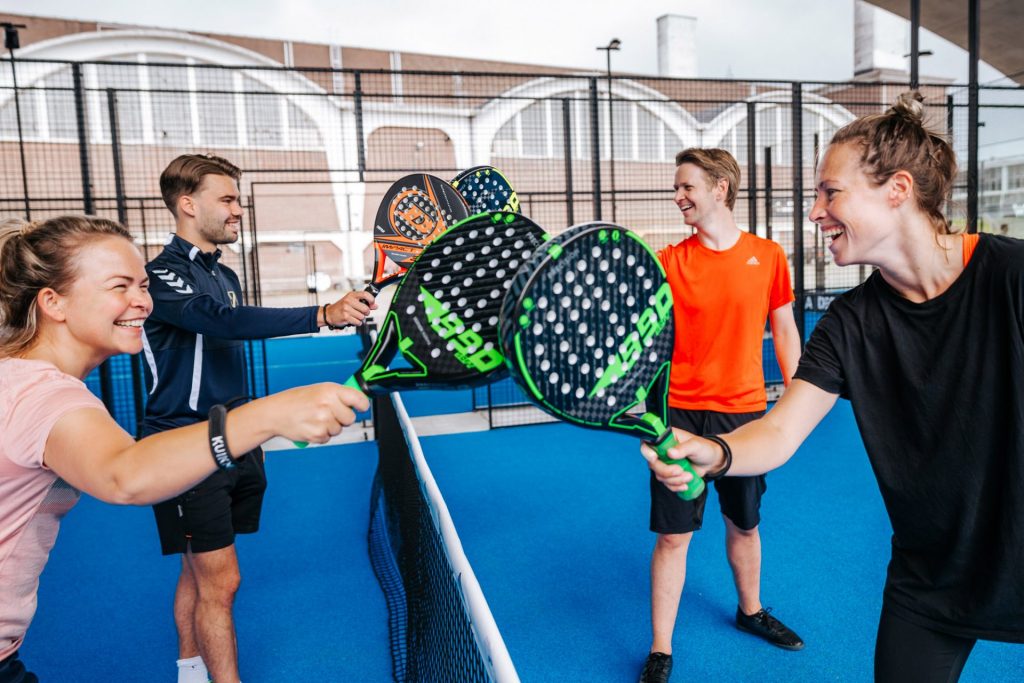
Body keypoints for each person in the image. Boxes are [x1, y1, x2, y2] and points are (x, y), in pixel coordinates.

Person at [644, 92, 1024, 682]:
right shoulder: (850, 323)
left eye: (830, 192)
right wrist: (716, 453)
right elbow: (780, 429)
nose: (816, 211)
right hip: (930, 577)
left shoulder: (1012, 275)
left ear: (897, 190)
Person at [0, 215, 368, 683]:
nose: (142, 302)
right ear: (53, 302)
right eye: (119, 287)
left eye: (142, 285)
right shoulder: (41, 394)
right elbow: (123, 475)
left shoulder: (18, 376)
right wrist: (269, 415)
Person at [140, 153, 376, 683]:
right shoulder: (158, 277)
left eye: (236, 199)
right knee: (221, 583)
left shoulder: (223, 274)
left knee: (198, 570)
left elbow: (228, 320)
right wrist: (321, 314)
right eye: (225, 199)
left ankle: (189, 670)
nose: (237, 210)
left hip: (237, 441)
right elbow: (217, 322)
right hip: (185, 446)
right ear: (186, 204)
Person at [638, 148, 803, 683]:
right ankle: (661, 649)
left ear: (720, 189)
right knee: (672, 537)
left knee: (745, 525)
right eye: (676, 188)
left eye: (687, 186)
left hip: (745, 419)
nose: (678, 196)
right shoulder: (668, 262)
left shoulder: (768, 256)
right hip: (679, 417)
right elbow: (639, 336)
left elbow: (782, 329)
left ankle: (750, 611)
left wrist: (800, 397)